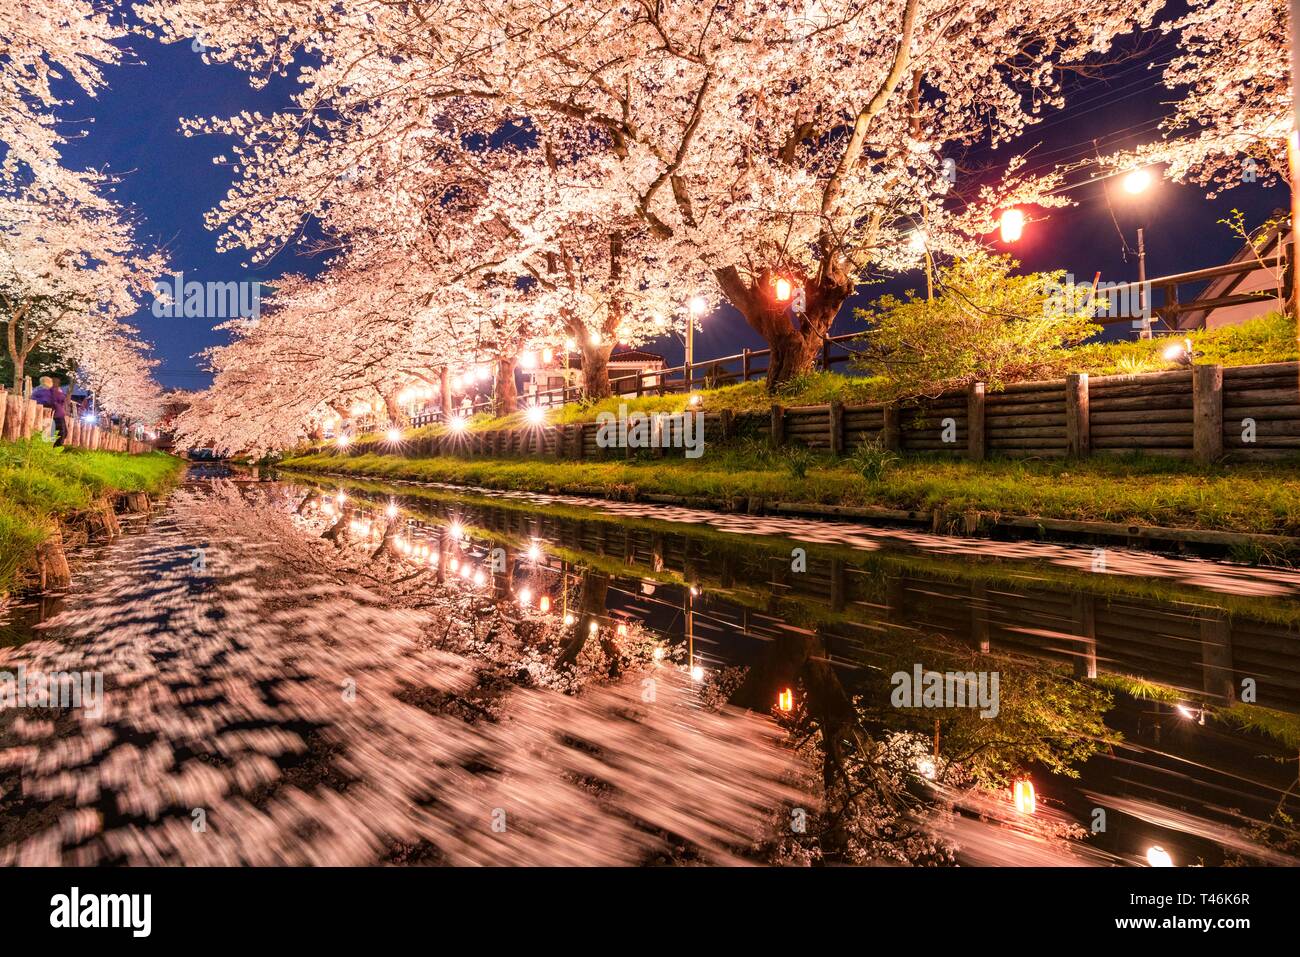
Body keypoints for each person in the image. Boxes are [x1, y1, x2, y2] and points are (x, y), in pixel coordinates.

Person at [31, 375, 68, 446]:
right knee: (61, 433)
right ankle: (55, 449)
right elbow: (61, 398)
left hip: (50, 414)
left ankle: (52, 448)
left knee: (54, 433)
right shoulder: (50, 391)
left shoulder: (37, 391)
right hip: (55, 414)